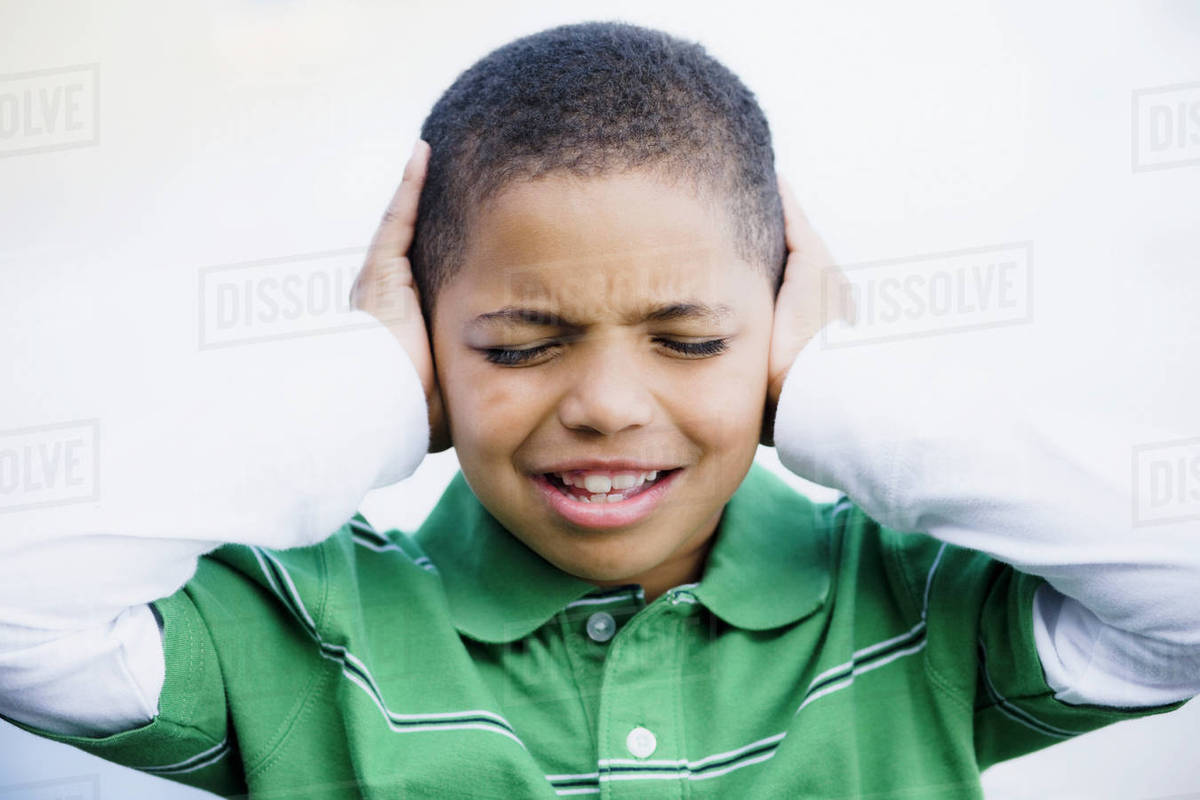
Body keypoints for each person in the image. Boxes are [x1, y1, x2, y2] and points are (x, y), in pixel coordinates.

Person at [1, 20, 1196, 799]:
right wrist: (360, 391)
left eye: (692, 340)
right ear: (425, 336)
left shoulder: (914, 606)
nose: (610, 404)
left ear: (779, 318)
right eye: (522, 344)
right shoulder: (309, 634)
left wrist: (837, 389)